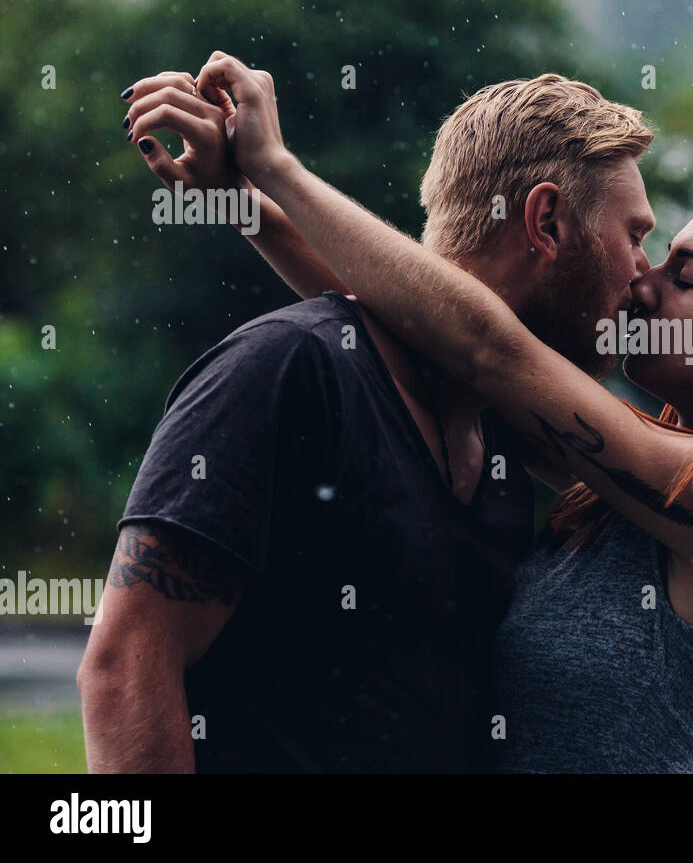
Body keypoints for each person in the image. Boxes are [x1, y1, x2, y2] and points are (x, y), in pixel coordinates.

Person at [187, 51, 693, 772]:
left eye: (684, 277)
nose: (645, 284)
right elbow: (433, 337)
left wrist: (276, 168)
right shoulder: (632, 488)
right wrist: (246, 204)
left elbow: (488, 348)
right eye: (653, 251)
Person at [77, 68, 657, 772]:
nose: (644, 272)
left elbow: (454, 341)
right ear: (546, 222)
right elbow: (125, 667)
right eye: (634, 235)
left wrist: (252, 202)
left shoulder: (507, 436)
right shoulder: (290, 369)